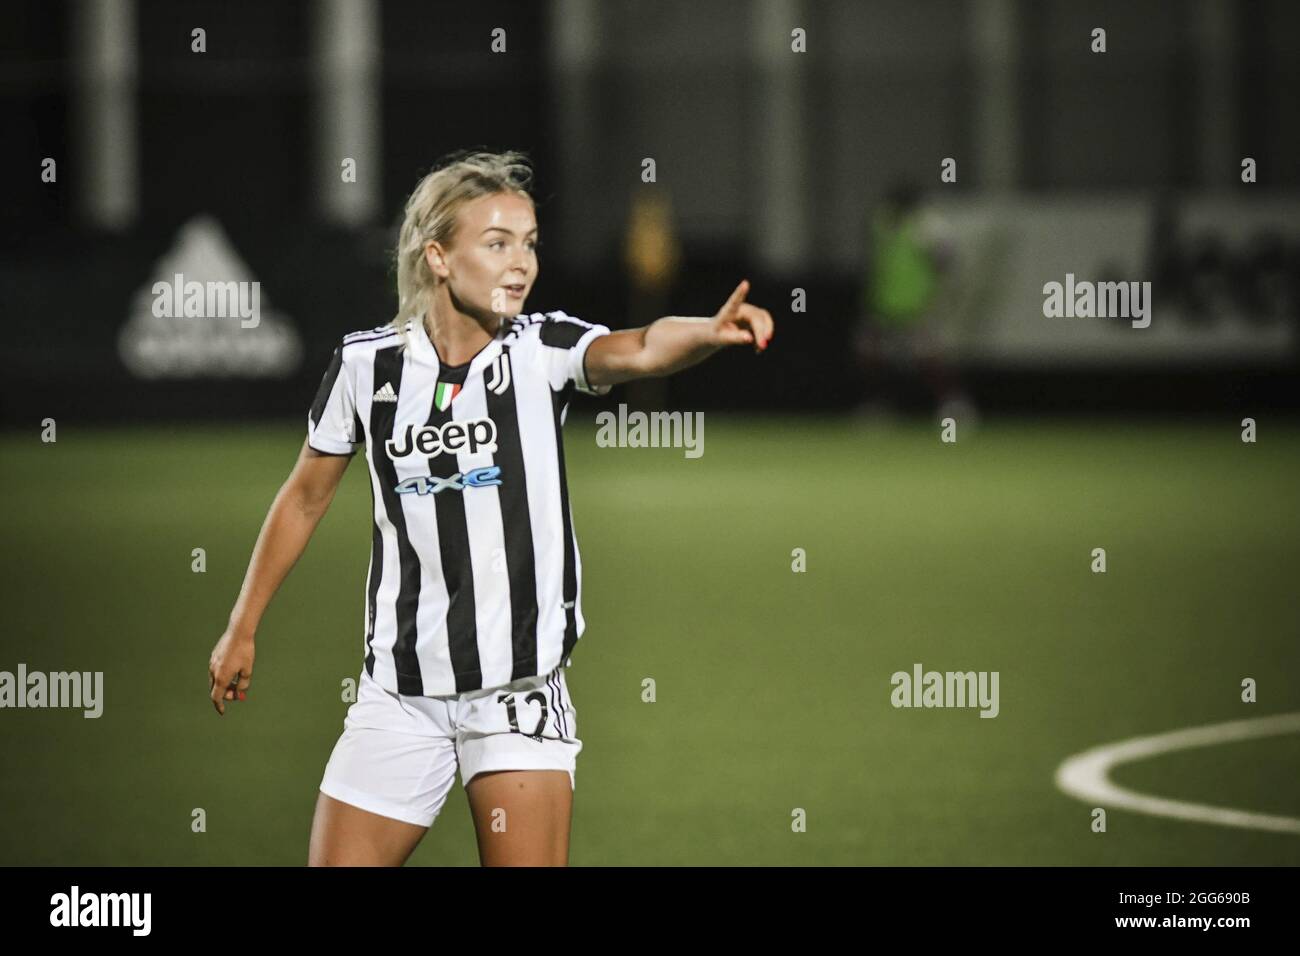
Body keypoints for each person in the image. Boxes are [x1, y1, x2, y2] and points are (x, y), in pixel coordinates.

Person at [206, 149, 774, 866]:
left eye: (530, 244)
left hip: (515, 699)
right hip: (400, 697)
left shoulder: (540, 350)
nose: (521, 264)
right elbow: (304, 498)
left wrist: (706, 333)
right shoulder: (365, 366)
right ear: (438, 257)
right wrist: (242, 625)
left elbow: (637, 349)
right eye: (498, 243)